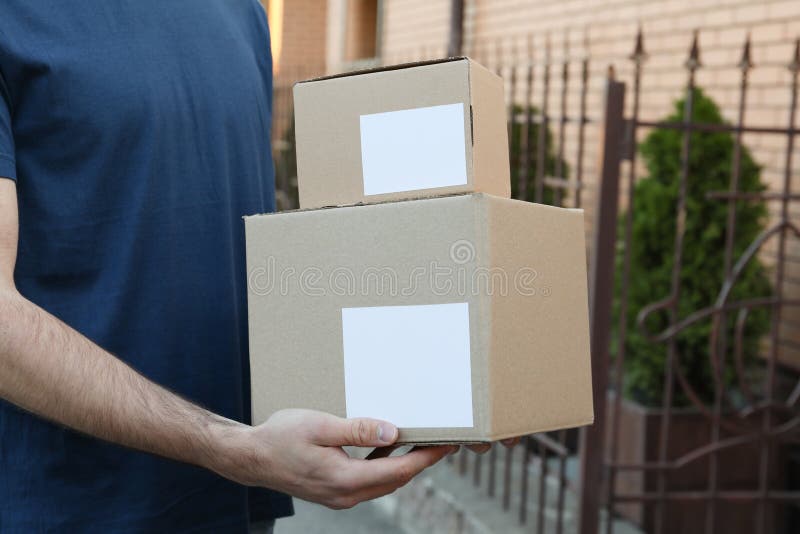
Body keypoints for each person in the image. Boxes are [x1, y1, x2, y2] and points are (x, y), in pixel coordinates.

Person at [0, 2, 457, 532]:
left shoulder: (242, 12)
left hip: (239, 506)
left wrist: (453, 387)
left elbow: (235, 255)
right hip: (72, 509)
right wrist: (229, 446)